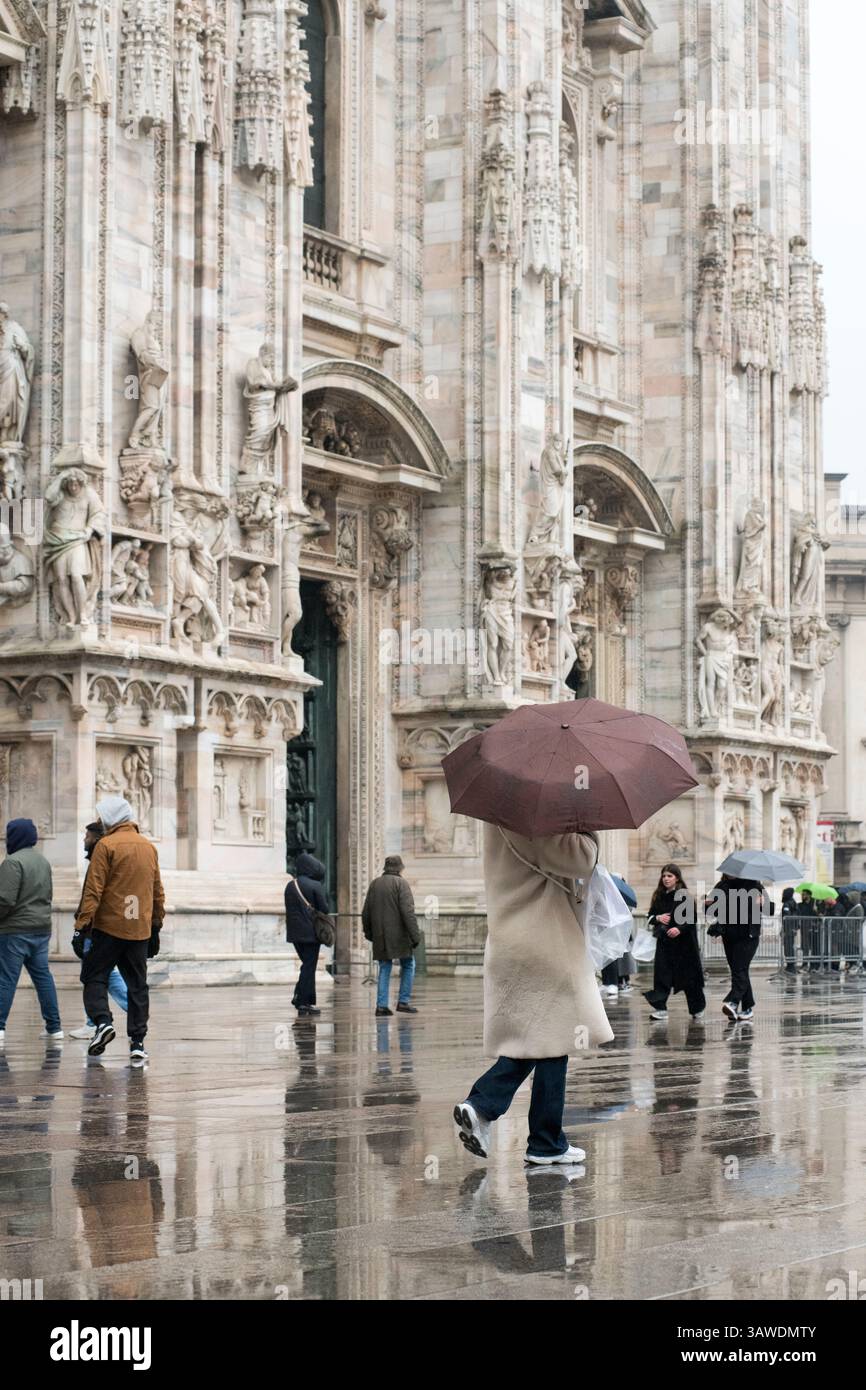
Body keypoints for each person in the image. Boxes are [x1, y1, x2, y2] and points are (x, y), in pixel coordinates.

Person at [454, 825, 612, 1166]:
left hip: (511, 937)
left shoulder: (497, 812)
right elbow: (580, 859)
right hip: (545, 937)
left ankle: (498, 1115)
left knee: (540, 1036)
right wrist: (587, 829)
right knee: (556, 1035)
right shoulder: (537, 817)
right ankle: (538, 1138)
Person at [76, 796, 164, 1064]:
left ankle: (103, 1022)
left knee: (94, 975)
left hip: (109, 926)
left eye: (103, 817)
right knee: (138, 985)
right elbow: (157, 891)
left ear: (111, 818)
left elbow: (94, 890)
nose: (101, 821)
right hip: (139, 929)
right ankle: (138, 1042)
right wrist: (156, 926)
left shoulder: (106, 845)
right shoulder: (148, 847)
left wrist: (81, 928)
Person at [0, 818, 62, 1042]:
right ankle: (55, 1028)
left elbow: (5, 899)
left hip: (16, 930)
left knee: (6, 978)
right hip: (41, 928)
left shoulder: (12, 862)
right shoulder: (43, 862)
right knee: (43, 977)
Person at [69, 823, 129, 1041]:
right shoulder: (100, 858)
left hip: (96, 929)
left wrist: (81, 927)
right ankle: (96, 1021)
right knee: (100, 975)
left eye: (87, 835)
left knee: (96, 975)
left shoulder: (100, 859)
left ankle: (97, 1021)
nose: (84, 839)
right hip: (100, 927)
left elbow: (91, 896)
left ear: (96, 838)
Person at [643, 864, 705, 1022]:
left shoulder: (684, 896)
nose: (666, 879)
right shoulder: (658, 895)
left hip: (684, 945)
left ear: (677, 878)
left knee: (689, 979)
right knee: (662, 976)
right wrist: (657, 918)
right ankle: (661, 1009)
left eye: (669, 876)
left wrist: (679, 929)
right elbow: (650, 915)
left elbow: (692, 919)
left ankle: (697, 1009)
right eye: (664, 876)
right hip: (665, 943)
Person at [362, 855, 421, 1016]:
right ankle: (403, 1002)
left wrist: (369, 933)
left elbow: (365, 912)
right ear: (400, 868)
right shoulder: (401, 884)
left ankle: (381, 1005)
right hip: (400, 935)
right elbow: (408, 912)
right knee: (409, 964)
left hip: (380, 935)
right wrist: (415, 936)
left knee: (384, 967)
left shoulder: (375, 884)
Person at [706, 872, 768, 1021]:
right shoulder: (721, 886)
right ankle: (747, 1009)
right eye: (727, 871)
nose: (729, 874)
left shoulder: (754, 885)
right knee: (739, 971)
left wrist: (763, 902)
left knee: (739, 968)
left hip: (748, 936)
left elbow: (768, 908)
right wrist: (709, 903)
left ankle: (733, 1002)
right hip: (729, 935)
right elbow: (710, 910)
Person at [284, 852, 329, 1017]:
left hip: (295, 934)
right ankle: (304, 1003)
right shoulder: (315, 885)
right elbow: (325, 909)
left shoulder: (290, 885)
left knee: (306, 966)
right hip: (311, 934)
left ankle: (300, 998)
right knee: (309, 967)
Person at [797, 889, 820, 971]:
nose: (802, 896)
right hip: (805, 928)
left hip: (814, 928)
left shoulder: (815, 904)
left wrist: (816, 910)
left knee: (814, 946)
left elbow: (819, 917)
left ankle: (814, 965)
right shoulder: (800, 905)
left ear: (809, 895)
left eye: (804, 894)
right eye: (802, 894)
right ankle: (805, 964)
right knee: (805, 946)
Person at [780, 886, 799, 973]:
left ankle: (790, 966)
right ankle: (791, 965)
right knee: (790, 947)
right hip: (791, 929)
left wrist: (785, 930)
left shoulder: (788, 903)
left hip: (788, 929)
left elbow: (787, 917)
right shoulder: (793, 902)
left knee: (788, 948)